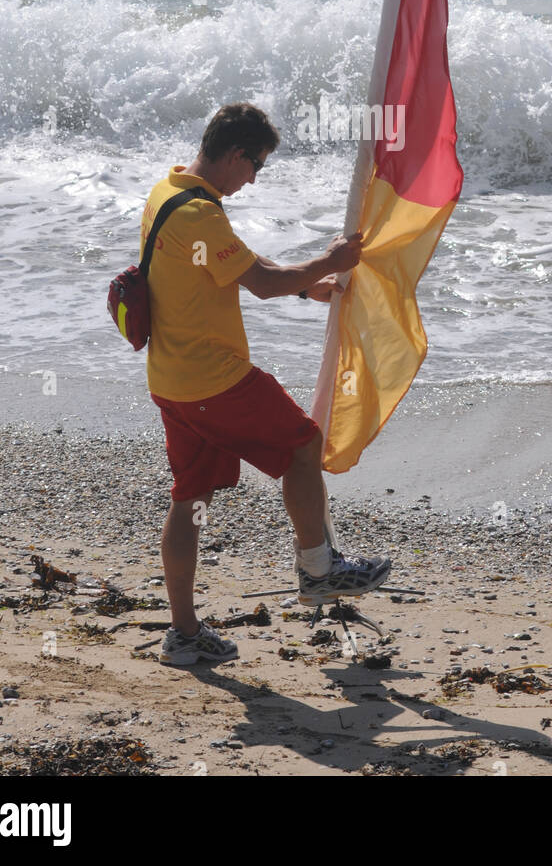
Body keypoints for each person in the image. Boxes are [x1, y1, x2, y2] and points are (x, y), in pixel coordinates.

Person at [141, 102, 390, 667]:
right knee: (303, 444)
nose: (254, 177)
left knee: (190, 498)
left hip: (172, 379)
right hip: (215, 379)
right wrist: (326, 259)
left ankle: (182, 635)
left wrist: (308, 285)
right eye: (255, 165)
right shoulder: (200, 216)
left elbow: (237, 268)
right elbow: (259, 283)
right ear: (235, 155)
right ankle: (320, 570)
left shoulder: (168, 192)